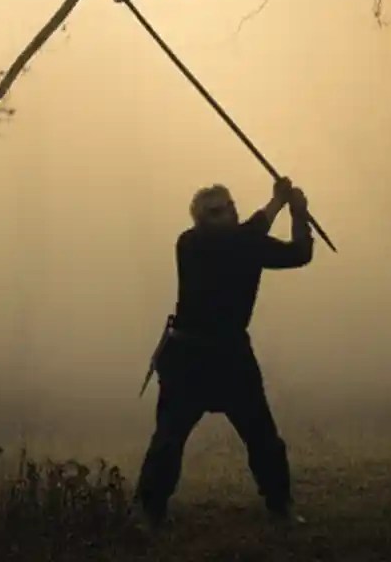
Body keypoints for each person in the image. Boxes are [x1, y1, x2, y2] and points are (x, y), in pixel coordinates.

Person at [134, 176, 314, 527]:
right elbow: (240, 240)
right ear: (200, 219)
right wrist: (278, 202)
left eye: (230, 206)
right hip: (189, 357)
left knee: (263, 437)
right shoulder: (191, 243)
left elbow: (299, 254)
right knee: (168, 441)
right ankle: (148, 510)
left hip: (231, 355)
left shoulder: (247, 243)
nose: (226, 213)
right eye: (216, 211)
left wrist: (299, 214)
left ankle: (281, 505)